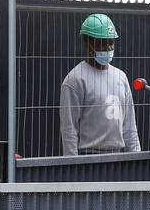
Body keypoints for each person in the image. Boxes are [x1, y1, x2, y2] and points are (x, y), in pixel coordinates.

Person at [59, 14, 140, 157]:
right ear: (88, 43)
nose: (108, 47)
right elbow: (69, 129)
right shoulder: (75, 80)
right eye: (102, 42)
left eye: (111, 42)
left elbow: (130, 126)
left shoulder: (121, 77)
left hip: (119, 157)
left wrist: (136, 157)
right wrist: (72, 165)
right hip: (88, 157)